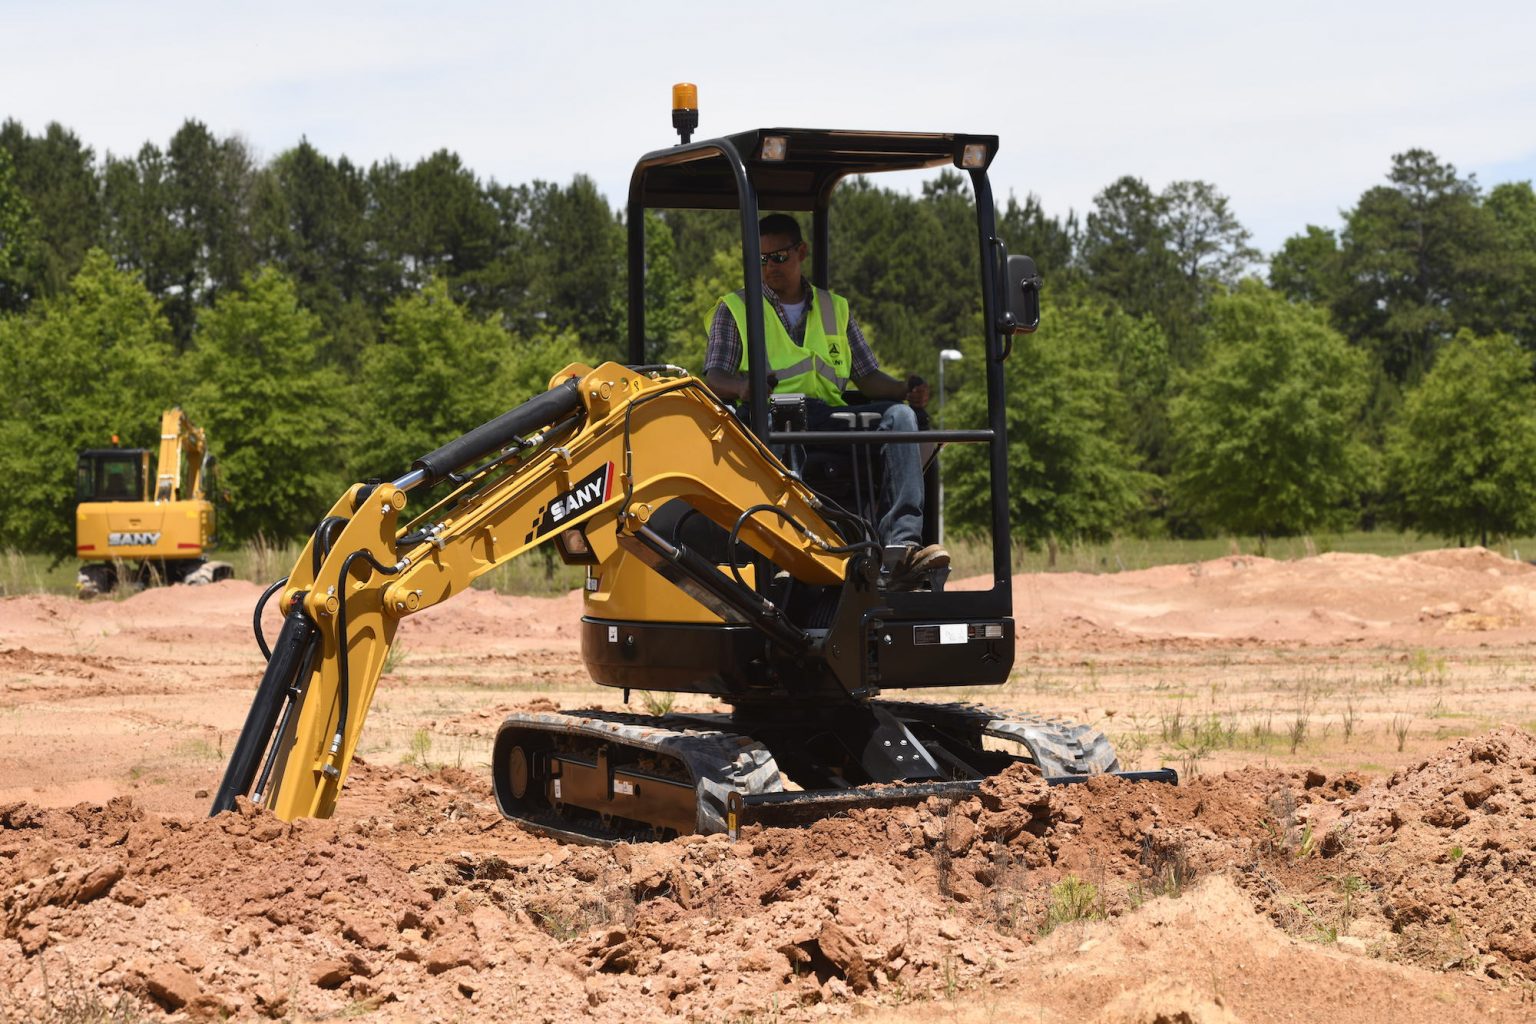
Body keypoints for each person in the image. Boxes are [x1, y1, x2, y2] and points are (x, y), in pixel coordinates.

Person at [704, 213, 948, 588]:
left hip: (832, 419)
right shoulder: (735, 309)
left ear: (801, 252)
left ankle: (901, 546)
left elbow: (867, 377)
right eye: (761, 259)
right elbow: (715, 376)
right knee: (781, 419)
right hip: (775, 419)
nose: (770, 267)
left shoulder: (836, 309)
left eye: (779, 257)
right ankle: (791, 542)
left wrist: (903, 390)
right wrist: (742, 387)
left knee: (901, 417)